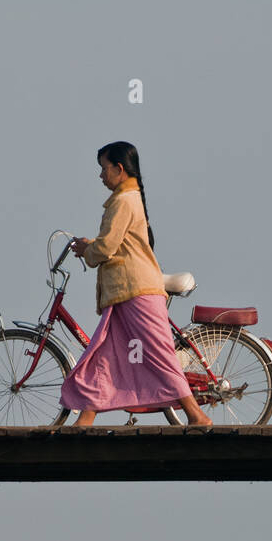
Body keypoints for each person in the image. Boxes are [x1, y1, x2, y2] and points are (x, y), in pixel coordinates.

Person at [60, 141, 212, 428]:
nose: (101, 176)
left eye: (104, 169)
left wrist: (86, 251)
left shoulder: (123, 201)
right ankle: (86, 417)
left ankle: (196, 415)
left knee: (158, 353)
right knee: (103, 354)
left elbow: (106, 249)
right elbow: (118, 244)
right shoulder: (128, 199)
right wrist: (92, 246)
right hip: (124, 292)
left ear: (119, 169)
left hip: (137, 291)